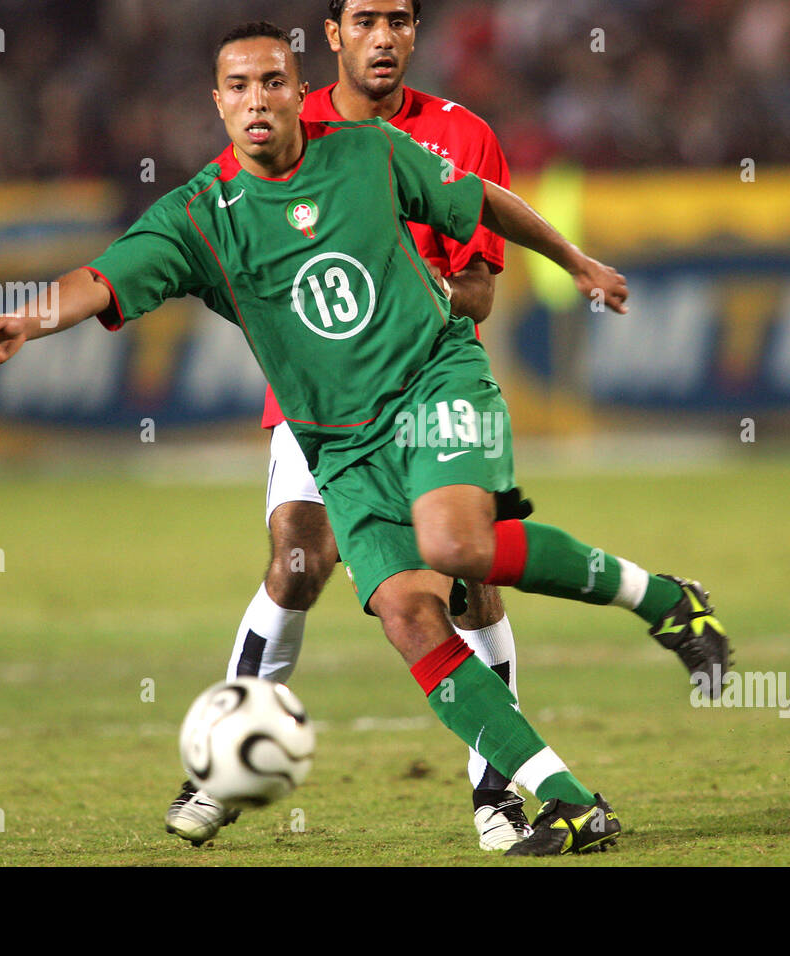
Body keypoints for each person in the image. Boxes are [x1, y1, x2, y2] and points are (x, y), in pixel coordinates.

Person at [0, 21, 729, 857]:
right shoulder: (197, 218)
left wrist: (575, 260)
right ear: (217, 103)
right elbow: (102, 277)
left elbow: (476, 202)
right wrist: (26, 322)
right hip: (338, 444)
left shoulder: (369, 150)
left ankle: (659, 602)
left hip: (434, 380)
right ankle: (568, 801)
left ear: (301, 90)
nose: (258, 99)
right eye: (240, 86)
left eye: (273, 82)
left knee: (458, 549)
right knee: (405, 613)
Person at [185, 0, 531, 852]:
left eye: (401, 20)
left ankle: (500, 792)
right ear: (332, 36)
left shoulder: (463, 135)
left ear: (417, 33)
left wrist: (401, 294)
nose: (385, 37)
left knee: (469, 576)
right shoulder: (278, 120)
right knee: (297, 561)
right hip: (318, 397)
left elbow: (481, 290)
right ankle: (222, 770)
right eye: (366, 20)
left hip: (433, 388)